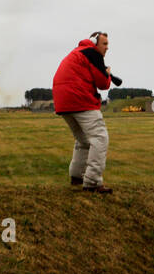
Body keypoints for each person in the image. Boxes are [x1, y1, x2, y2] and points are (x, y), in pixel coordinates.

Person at [52, 32, 121, 195]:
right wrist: (108, 74)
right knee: (100, 137)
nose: (107, 47)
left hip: (63, 102)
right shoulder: (92, 53)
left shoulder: (78, 53)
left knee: (83, 140)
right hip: (80, 99)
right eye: (104, 44)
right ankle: (92, 181)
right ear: (94, 43)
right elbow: (103, 84)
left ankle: (77, 177)